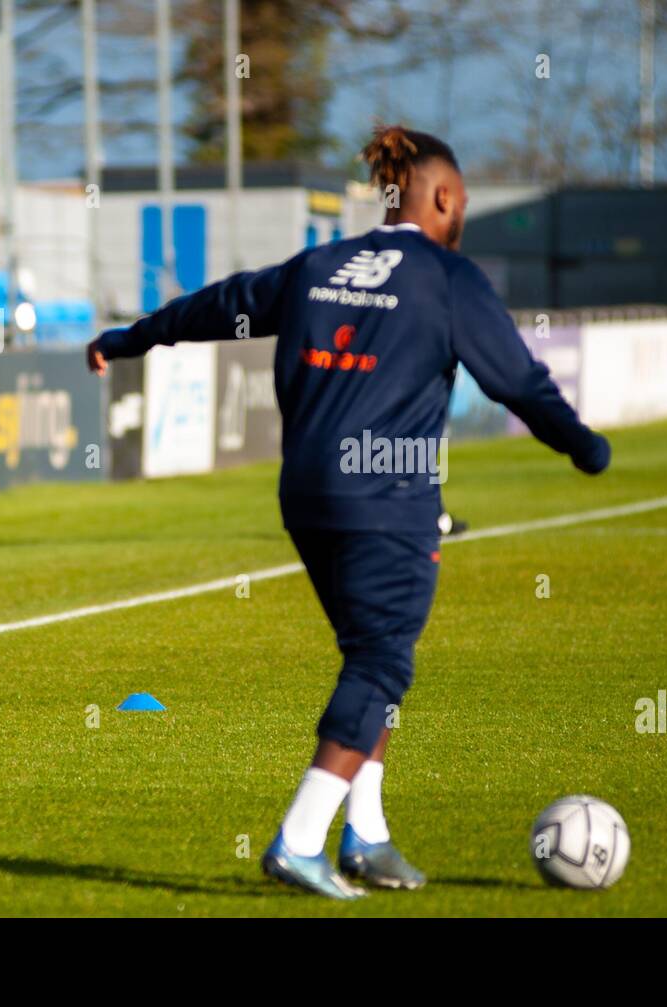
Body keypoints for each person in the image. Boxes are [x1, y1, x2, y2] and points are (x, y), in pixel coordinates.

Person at [85, 125, 609, 898]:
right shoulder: (448, 277)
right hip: (387, 499)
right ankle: (300, 839)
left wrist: (131, 338)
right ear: (440, 196)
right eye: (459, 198)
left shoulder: (317, 265)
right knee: (382, 659)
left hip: (307, 495)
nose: (460, 210)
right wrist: (584, 446)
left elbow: (220, 305)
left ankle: (366, 833)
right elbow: (522, 384)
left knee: (370, 656)